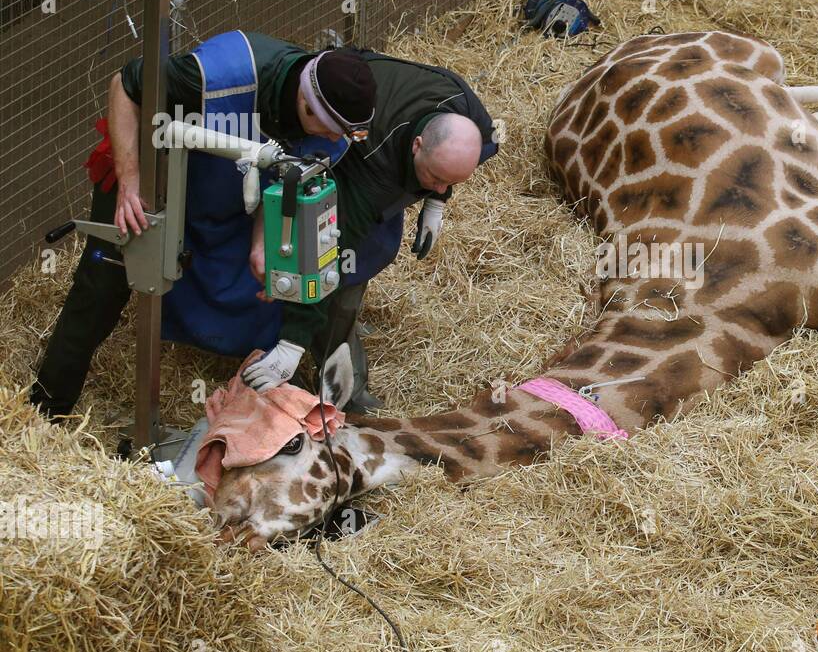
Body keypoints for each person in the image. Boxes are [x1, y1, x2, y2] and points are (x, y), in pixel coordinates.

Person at [29, 31, 376, 418]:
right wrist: (130, 182)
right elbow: (124, 84)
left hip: (224, 178)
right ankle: (47, 407)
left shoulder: (332, 128)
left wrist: (262, 244)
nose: (334, 140)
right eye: (330, 130)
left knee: (271, 273)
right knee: (106, 282)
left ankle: (272, 410)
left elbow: (283, 180)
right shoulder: (221, 76)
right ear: (306, 105)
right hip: (151, 170)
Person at [244, 49, 498, 404]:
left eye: (450, 180)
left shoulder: (472, 116)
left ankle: (337, 337)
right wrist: (292, 343)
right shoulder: (372, 167)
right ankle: (332, 369)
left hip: (392, 120)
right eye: (436, 178)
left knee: (379, 245)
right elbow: (327, 251)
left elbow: (462, 153)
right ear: (417, 146)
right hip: (337, 123)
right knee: (348, 261)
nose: (440, 185)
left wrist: (437, 200)